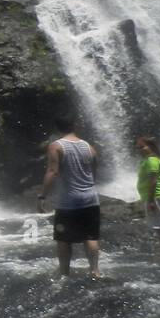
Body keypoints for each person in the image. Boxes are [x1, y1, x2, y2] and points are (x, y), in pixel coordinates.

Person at [37, 115, 101, 278]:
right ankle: (95, 270)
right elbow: (93, 173)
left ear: (57, 129)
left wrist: (42, 196)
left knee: (64, 239)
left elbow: (53, 171)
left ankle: (64, 272)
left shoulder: (56, 146)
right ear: (75, 125)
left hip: (69, 201)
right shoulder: (89, 147)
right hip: (91, 198)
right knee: (90, 236)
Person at [136, 136, 160, 263]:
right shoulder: (148, 160)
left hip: (156, 198)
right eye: (139, 147)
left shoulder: (152, 160)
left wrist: (151, 201)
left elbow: (153, 182)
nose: (140, 149)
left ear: (151, 146)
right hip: (154, 198)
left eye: (143, 146)